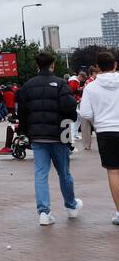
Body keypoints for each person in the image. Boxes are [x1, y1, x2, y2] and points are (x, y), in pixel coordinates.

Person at [19, 52, 81, 225]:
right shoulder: (62, 84)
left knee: (40, 174)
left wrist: (26, 132)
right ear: (52, 65)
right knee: (64, 173)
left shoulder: (28, 86)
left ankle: (44, 212)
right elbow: (70, 109)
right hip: (59, 134)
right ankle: (71, 205)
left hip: (37, 136)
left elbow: (22, 113)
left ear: (37, 65)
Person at [76, 50, 119, 226]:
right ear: (115, 64)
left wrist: (98, 119)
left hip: (106, 131)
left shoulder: (91, 87)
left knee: (114, 171)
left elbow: (85, 112)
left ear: (98, 67)